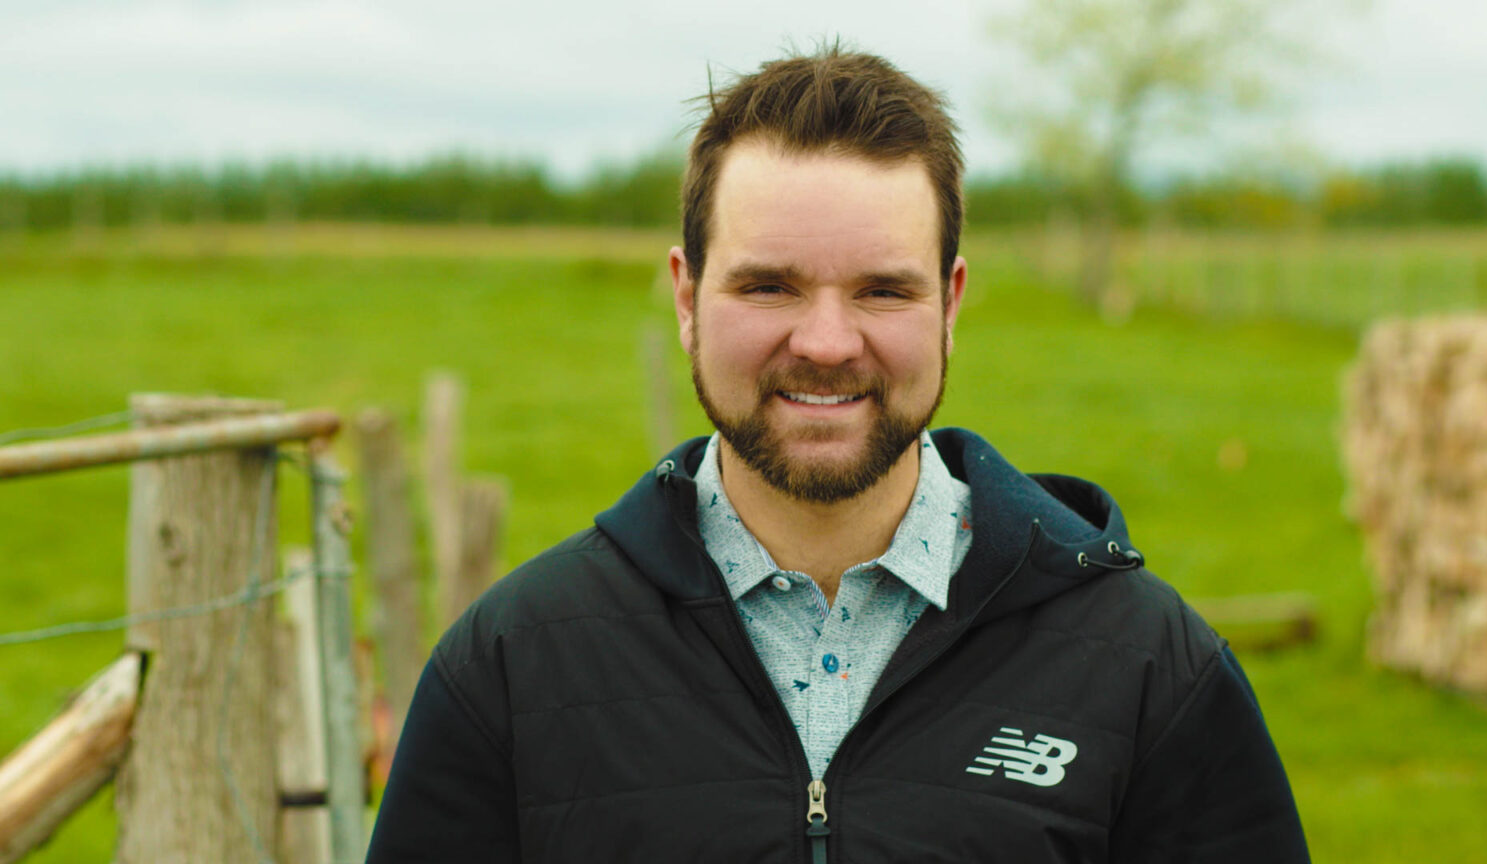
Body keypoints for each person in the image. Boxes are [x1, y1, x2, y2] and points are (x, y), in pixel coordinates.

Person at [366, 47, 1310, 863]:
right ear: (687, 298)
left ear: (952, 302)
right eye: (770, 286)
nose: (825, 343)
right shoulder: (511, 673)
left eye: (882, 291)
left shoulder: (1150, 672)